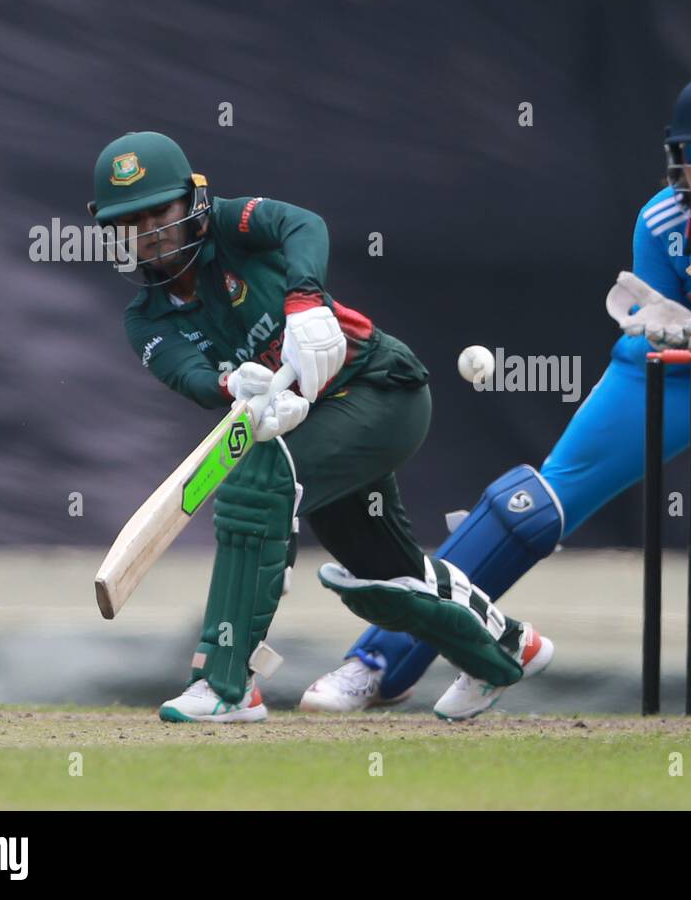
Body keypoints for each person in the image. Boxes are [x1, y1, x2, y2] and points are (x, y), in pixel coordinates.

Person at [301, 73, 691, 720]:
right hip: (664, 374)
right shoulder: (661, 218)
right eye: (690, 155)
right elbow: (655, 313)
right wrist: (666, 329)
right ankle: (380, 662)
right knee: (530, 505)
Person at [88, 130, 552, 723]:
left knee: (254, 485)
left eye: (162, 212)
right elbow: (191, 376)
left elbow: (303, 224)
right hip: (309, 424)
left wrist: (305, 301)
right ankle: (504, 650)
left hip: (380, 391)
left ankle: (227, 683)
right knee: (385, 576)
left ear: (193, 202)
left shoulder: (234, 225)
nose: (152, 232)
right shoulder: (144, 319)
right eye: (134, 221)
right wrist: (234, 385)